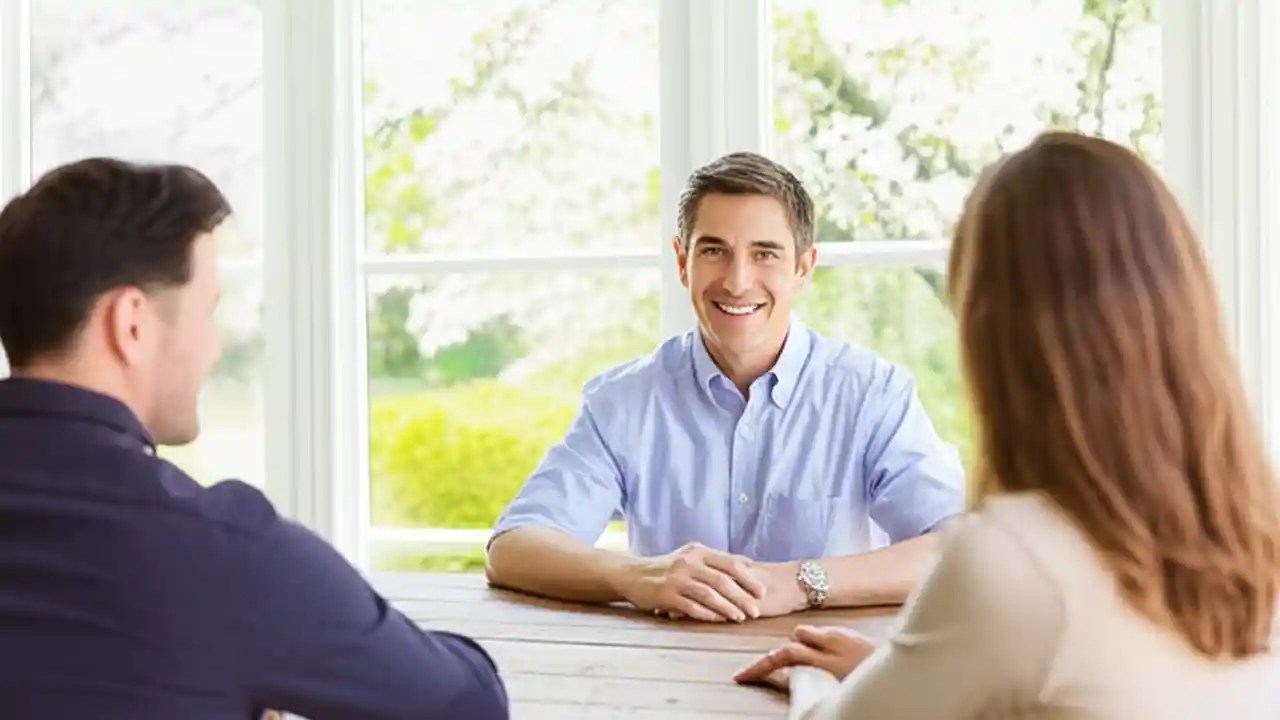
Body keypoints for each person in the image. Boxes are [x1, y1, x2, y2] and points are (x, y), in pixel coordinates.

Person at [733, 132, 1280, 718]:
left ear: (998, 327)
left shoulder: (1013, 558)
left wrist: (813, 681)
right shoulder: (1251, 525)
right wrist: (903, 672)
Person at [0, 158, 508, 719]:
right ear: (132, 324)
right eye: (207, 311)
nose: (213, 349)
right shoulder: (220, 550)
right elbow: (465, 706)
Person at [486, 151, 964, 622]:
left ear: (803, 267)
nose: (738, 282)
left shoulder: (871, 395)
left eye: (765, 254)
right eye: (714, 251)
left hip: (824, 680)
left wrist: (800, 583)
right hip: (668, 682)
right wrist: (636, 577)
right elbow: (514, 547)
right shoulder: (624, 402)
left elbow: (959, 549)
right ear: (681, 261)